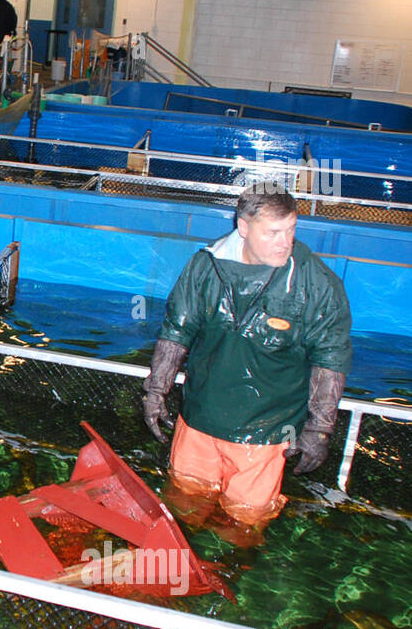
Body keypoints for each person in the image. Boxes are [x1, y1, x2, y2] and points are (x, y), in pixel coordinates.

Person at [141, 184, 352, 525]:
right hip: (199, 420)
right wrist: (155, 391)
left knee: (242, 524)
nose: (285, 242)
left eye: (291, 230)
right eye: (273, 233)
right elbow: (175, 332)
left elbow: (330, 358)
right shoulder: (204, 267)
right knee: (183, 509)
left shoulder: (317, 284)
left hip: (266, 434)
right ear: (243, 227)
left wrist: (319, 430)